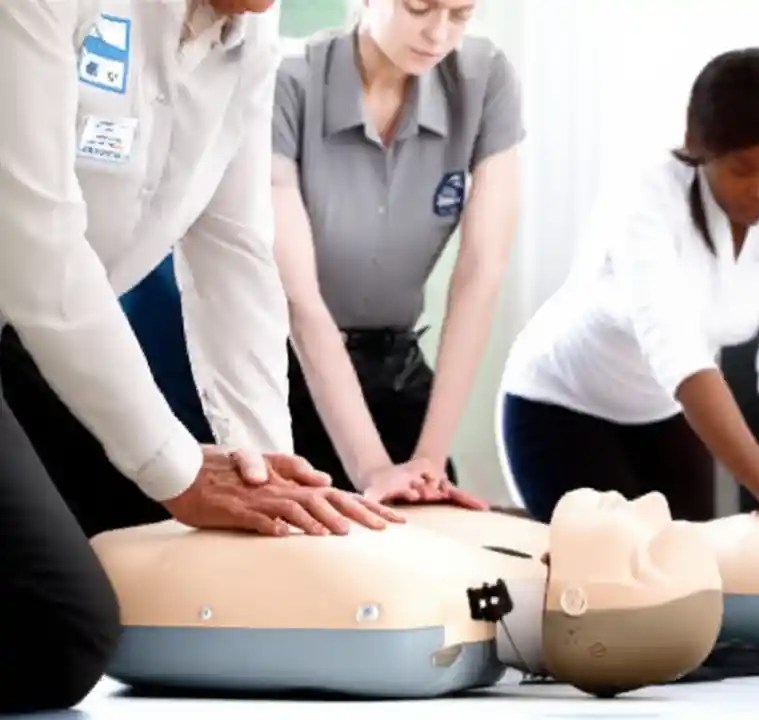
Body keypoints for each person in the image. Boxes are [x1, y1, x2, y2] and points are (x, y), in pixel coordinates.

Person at [0, 1, 401, 712]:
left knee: (145, 559)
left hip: (37, 344)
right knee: (59, 631)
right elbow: (35, 250)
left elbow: (233, 246)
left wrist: (265, 477)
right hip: (29, 295)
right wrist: (175, 468)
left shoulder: (250, 25)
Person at [498, 48, 759, 532]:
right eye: (742, 169)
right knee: (606, 572)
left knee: (689, 578)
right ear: (697, 147)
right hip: (559, 405)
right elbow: (676, 349)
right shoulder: (646, 194)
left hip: (664, 412)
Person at [270, 0, 520, 507]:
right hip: (284, 365)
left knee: (437, 527)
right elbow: (300, 298)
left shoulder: (484, 77)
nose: (438, 32)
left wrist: (427, 461)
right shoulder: (287, 80)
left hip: (395, 363)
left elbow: (480, 276)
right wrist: (374, 469)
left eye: (460, 14)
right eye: (418, 8)